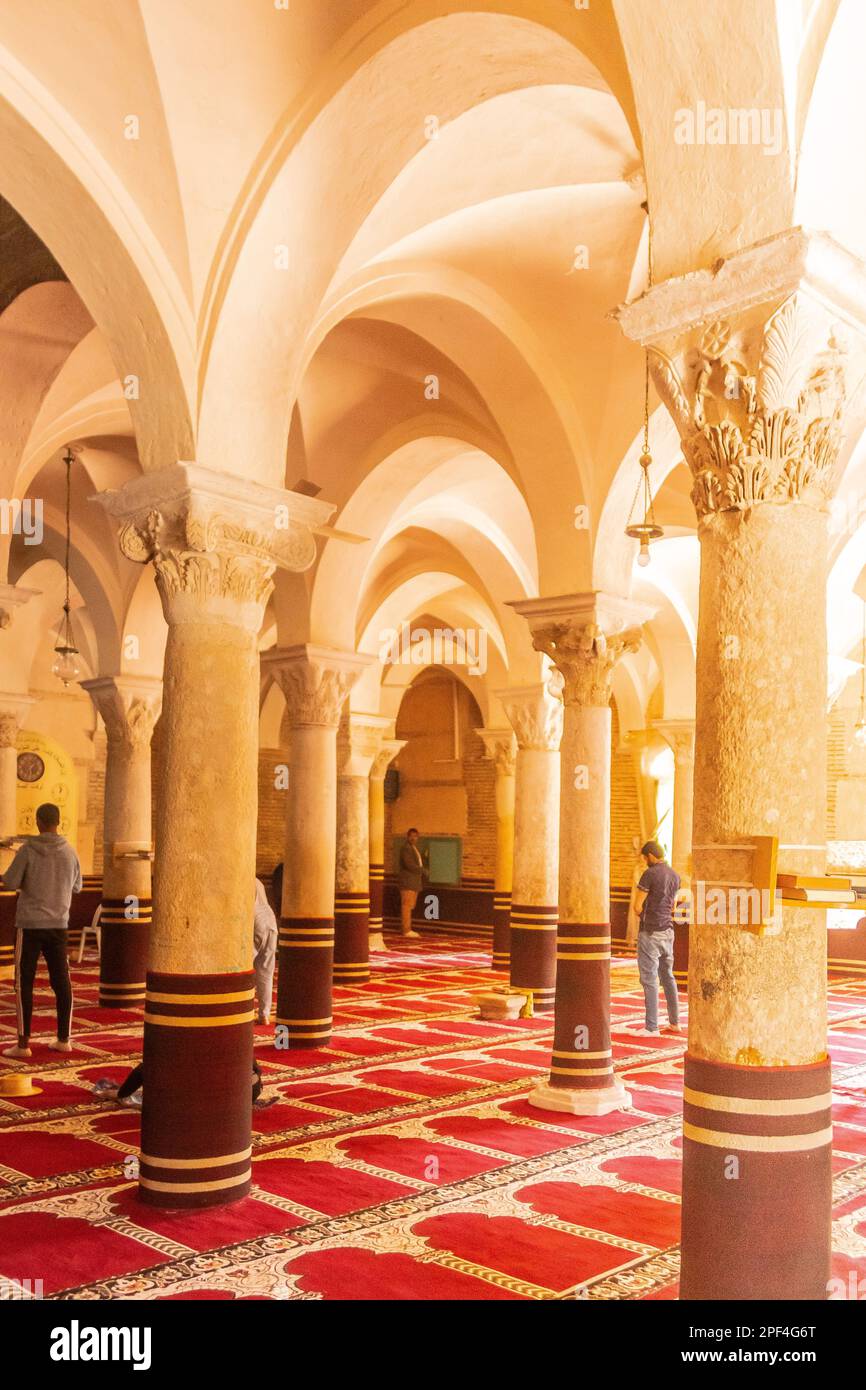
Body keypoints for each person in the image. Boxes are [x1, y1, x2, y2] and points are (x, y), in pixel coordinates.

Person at [0, 802, 82, 1058]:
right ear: (59, 822)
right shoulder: (70, 852)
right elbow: (78, 887)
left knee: (24, 983)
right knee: (62, 982)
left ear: (37, 821)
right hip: (59, 925)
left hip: (30, 925)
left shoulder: (27, 851)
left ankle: (23, 1045)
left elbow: (11, 882)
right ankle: (64, 1039)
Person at [632, 839, 684, 1038]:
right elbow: (672, 907)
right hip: (668, 932)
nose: (645, 861)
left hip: (650, 932)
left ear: (651, 856)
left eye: (645, 858)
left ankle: (651, 1027)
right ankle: (675, 1023)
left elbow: (637, 906)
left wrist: (643, 914)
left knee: (649, 979)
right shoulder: (675, 875)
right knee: (668, 977)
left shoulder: (650, 874)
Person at [253, 877, 278, 1024]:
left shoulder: (240, 875)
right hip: (270, 920)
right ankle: (264, 1015)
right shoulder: (258, 881)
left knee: (243, 970)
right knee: (266, 971)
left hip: (256, 921)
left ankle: (242, 1010)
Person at [397, 828, 426, 939]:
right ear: (408, 837)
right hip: (408, 882)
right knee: (406, 906)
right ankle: (406, 930)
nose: (414, 838)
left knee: (409, 906)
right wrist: (422, 870)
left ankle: (406, 927)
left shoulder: (413, 848)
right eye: (412, 836)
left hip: (414, 882)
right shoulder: (406, 848)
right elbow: (409, 865)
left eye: (416, 836)